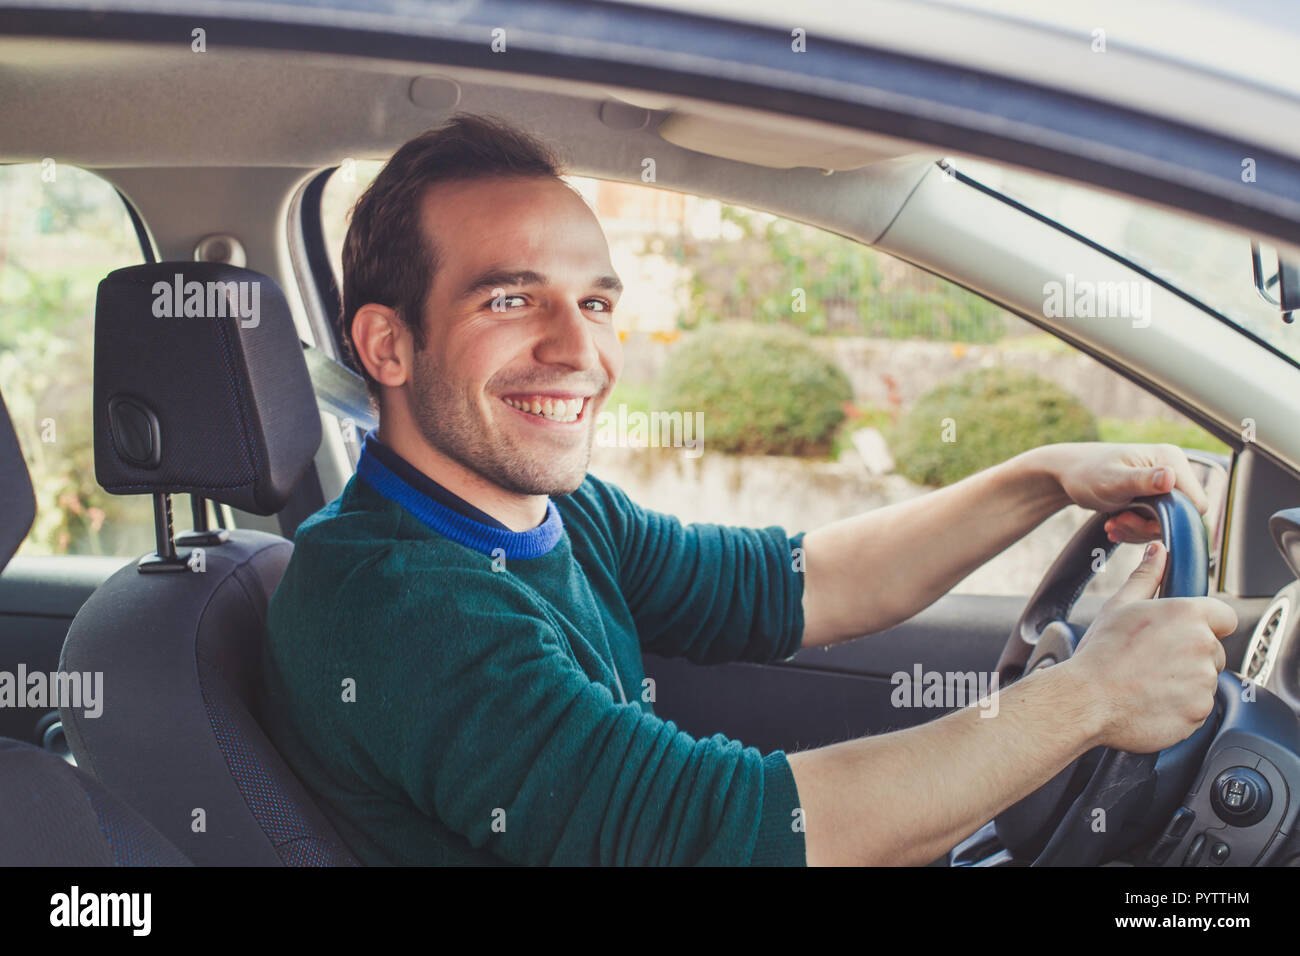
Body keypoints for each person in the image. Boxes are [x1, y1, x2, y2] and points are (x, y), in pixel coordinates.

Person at [261, 113, 1234, 866]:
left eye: (595, 301)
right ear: (388, 343)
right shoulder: (399, 603)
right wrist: (1089, 695)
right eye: (510, 298)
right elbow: (732, 834)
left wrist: (1038, 475)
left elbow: (806, 580)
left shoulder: (542, 510)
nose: (578, 349)